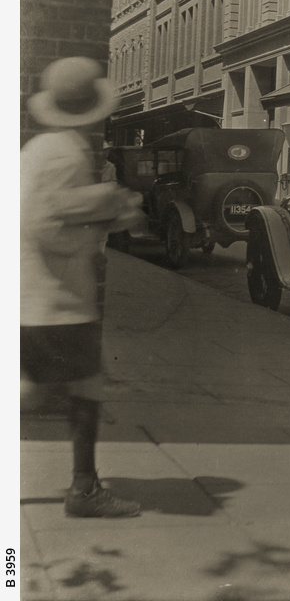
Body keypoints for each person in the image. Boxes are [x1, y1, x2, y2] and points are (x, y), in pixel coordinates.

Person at [21, 57, 145, 516]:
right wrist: (106, 220)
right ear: (95, 108)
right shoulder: (68, 152)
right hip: (58, 298)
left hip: (31, 295)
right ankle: (84, 490)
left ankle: (84, 486)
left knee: (33, 390)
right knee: (82, 387)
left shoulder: (37, 149)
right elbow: (47, 228)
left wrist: (101, 210)